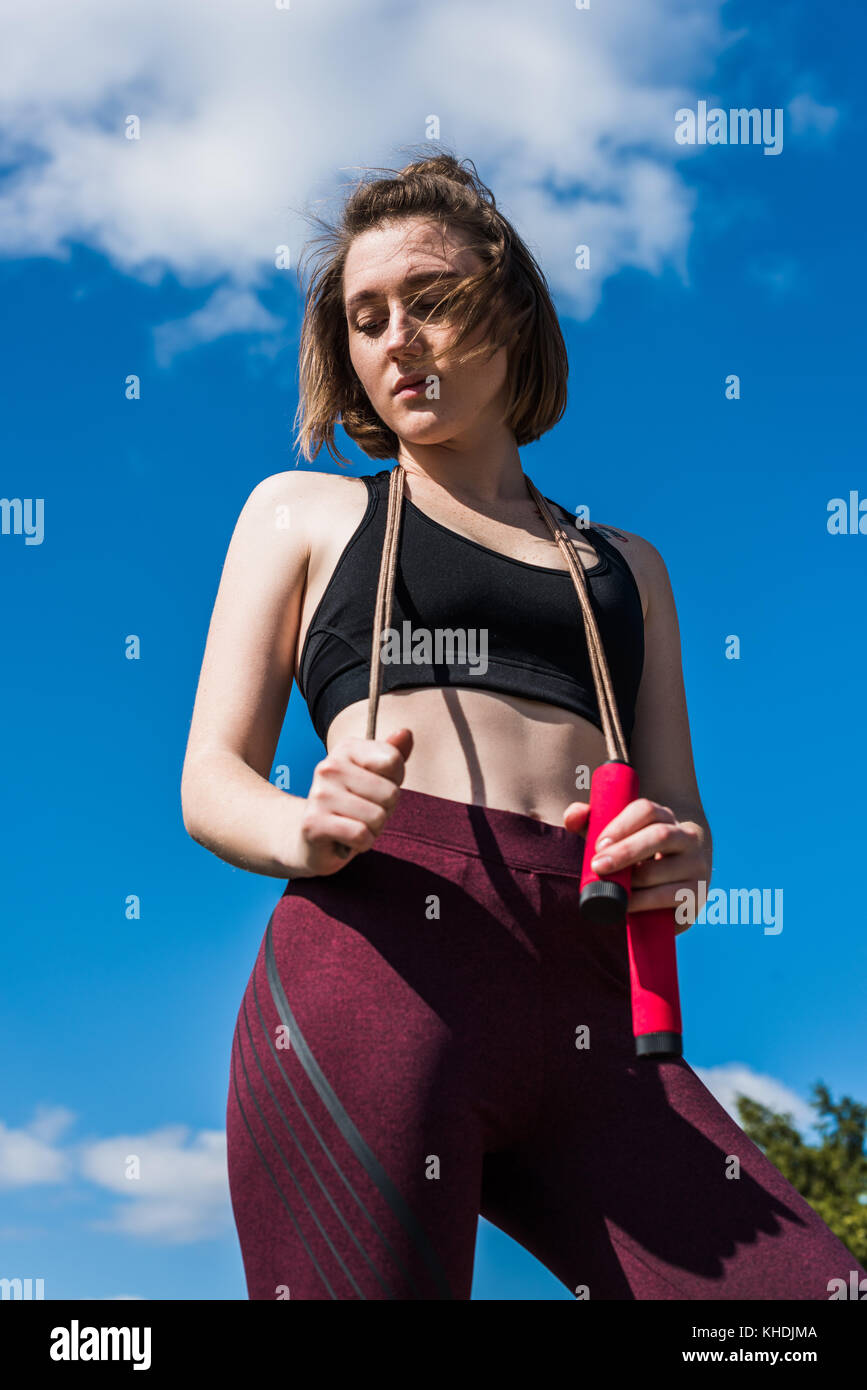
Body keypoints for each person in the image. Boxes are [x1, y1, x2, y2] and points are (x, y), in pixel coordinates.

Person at [181, 153, 865, 1300]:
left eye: (432, 301)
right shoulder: (306, 511)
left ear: (509, 309)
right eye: (366, 316)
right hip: (379, 972)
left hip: (603, 1005)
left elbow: (684, 835)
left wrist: (683, 864)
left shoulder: (627, 569)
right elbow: (211, 780)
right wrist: (305, 829)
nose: (399, 336)